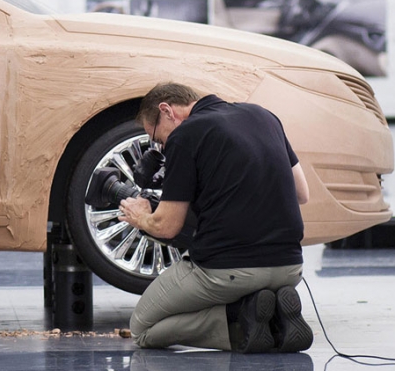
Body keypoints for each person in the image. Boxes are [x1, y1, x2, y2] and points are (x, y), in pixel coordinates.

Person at [118, 82, 313, 353]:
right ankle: (269, 314)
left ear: (167, 111)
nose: (161, 146)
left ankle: (239, 319)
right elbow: (301, 193)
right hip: (290, 267)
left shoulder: (185, 135)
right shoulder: (264, 116)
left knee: (143, 328)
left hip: (227, 272)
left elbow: (167, 226)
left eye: (157, 138)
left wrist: (140, 216)